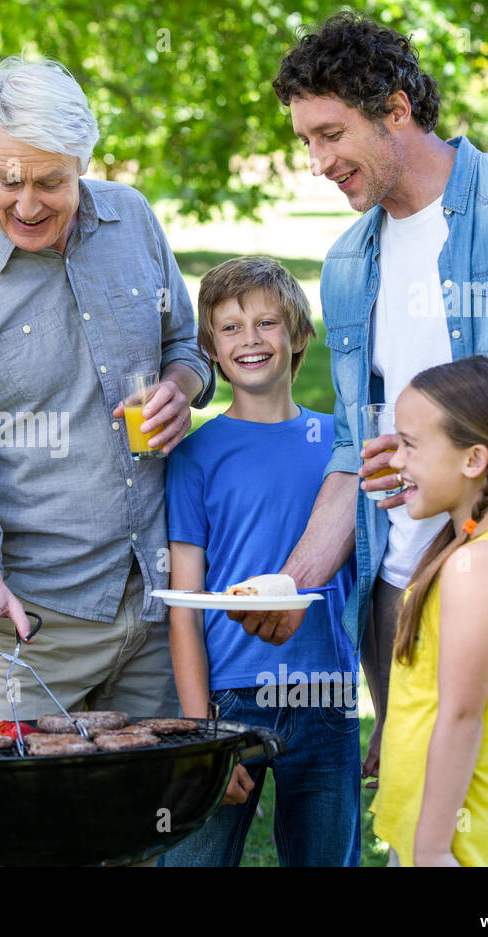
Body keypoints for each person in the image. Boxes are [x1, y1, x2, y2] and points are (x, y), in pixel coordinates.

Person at [237, 12, 488, 866]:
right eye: (306, 142)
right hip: (398, 589)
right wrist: (298, 578)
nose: (318, 162)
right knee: (420, 825)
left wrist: (480, 459)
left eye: (329, 135)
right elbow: (361, 450)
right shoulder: (351, 262)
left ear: (394, 109)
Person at [0, 56, 215, 723]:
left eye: (51, 181)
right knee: (29, 822)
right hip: (36, 622)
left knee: (156, 814)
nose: (26, 203)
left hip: (162, 602)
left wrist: (178, 389)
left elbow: (186, 347)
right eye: (6, 180)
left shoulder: (132, 220)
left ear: (82, 162)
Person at [159, 257, 359, 867]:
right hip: (229, 704)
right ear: (210, 351)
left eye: (267, 323)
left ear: (299, 336)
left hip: (327, 696)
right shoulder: (193, 456)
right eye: (230, 328)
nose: (250, 339)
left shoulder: (342, 447)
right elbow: (184, 609)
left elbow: (374, 586)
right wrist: (201, 737)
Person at [374, 355, 488, 866]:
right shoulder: (475, 549)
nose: (396, 461)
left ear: (473, 461)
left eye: (410, 445)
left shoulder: (480, 567)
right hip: (436, 833)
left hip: (455, 846)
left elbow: (462, 717)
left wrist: (430, 850)